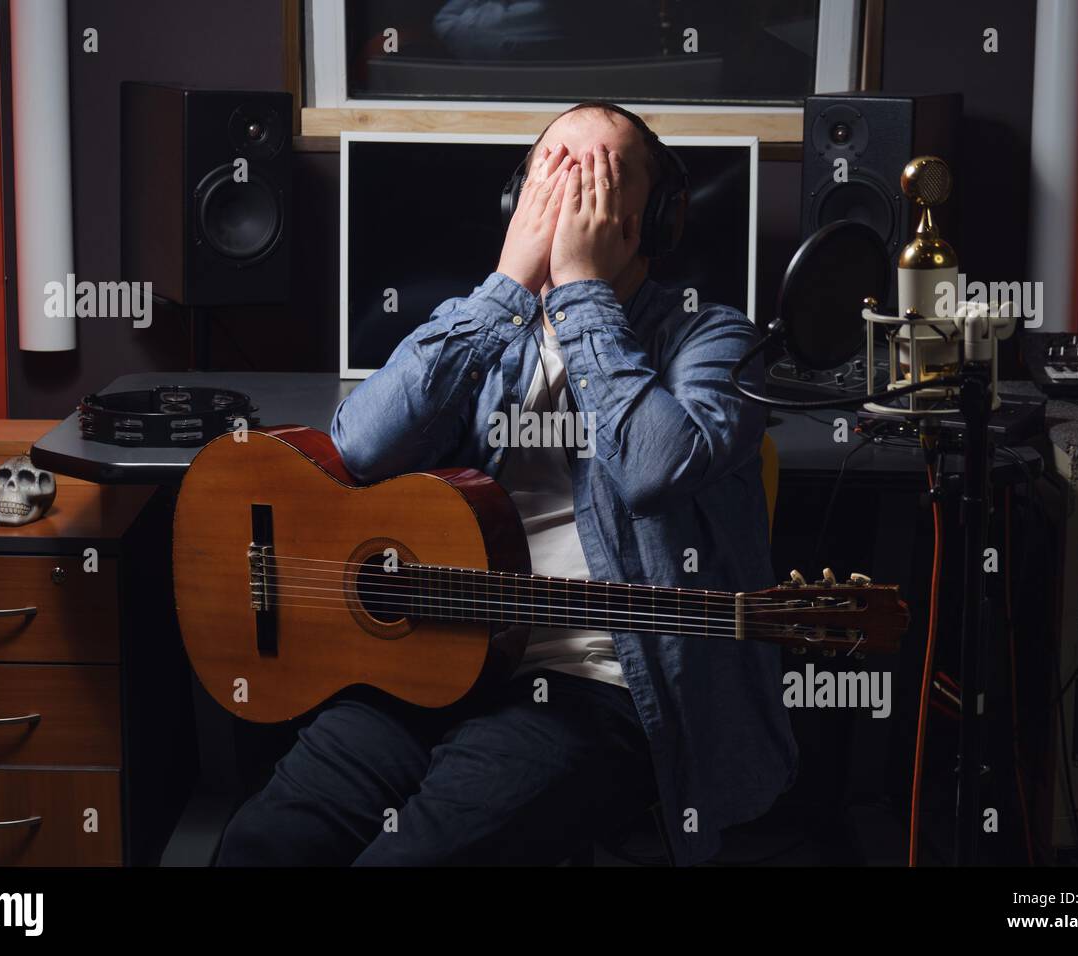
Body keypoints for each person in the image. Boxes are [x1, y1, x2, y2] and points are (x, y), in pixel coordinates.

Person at [217, 101, 796, 866]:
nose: (569, 195)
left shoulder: (715, 339)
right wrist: (506, 287)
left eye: (600, 176)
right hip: (432, 652)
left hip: (595, 682)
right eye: (552, 173)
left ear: (654, 220)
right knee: (263, 846)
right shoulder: (487, 324)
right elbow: (358, 446)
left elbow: (652, 467)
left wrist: (581, 293)